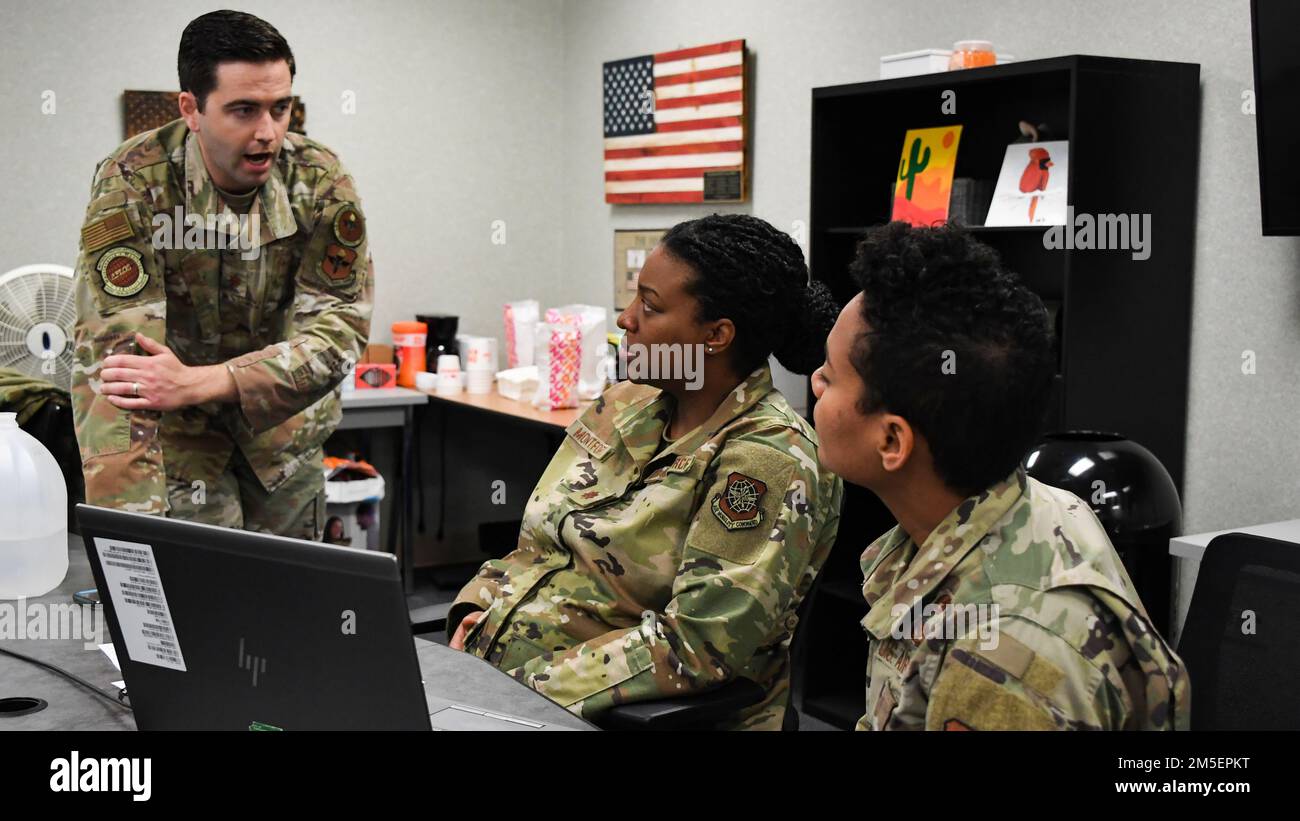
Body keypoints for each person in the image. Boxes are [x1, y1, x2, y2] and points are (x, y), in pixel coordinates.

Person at [448, 214, 844, 729]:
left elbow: (699, 647)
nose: (625, 320)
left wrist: (518, 690)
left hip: (613, 712)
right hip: (499, 678)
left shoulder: (769, 459)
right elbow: (539, 546)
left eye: (650, 306)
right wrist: (471, 611)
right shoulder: (623, 404)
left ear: (716, 335)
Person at [811, 222, 1188, 730]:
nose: (814, 382)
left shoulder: (1002, 661)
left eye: (830, 375)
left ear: (892, 441)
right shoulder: (1042, 503)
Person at [71, 11, 372, 539]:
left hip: (284, 437)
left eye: (281, 108)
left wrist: (206, 381)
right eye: (243, 110)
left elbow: (339, 336)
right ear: (191, 108)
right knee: (201, 602)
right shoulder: (135, 182)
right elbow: (119, 367)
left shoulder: (320, 181)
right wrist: (129, 536)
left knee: (292, 600)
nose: (268, 133)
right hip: (181, 447)